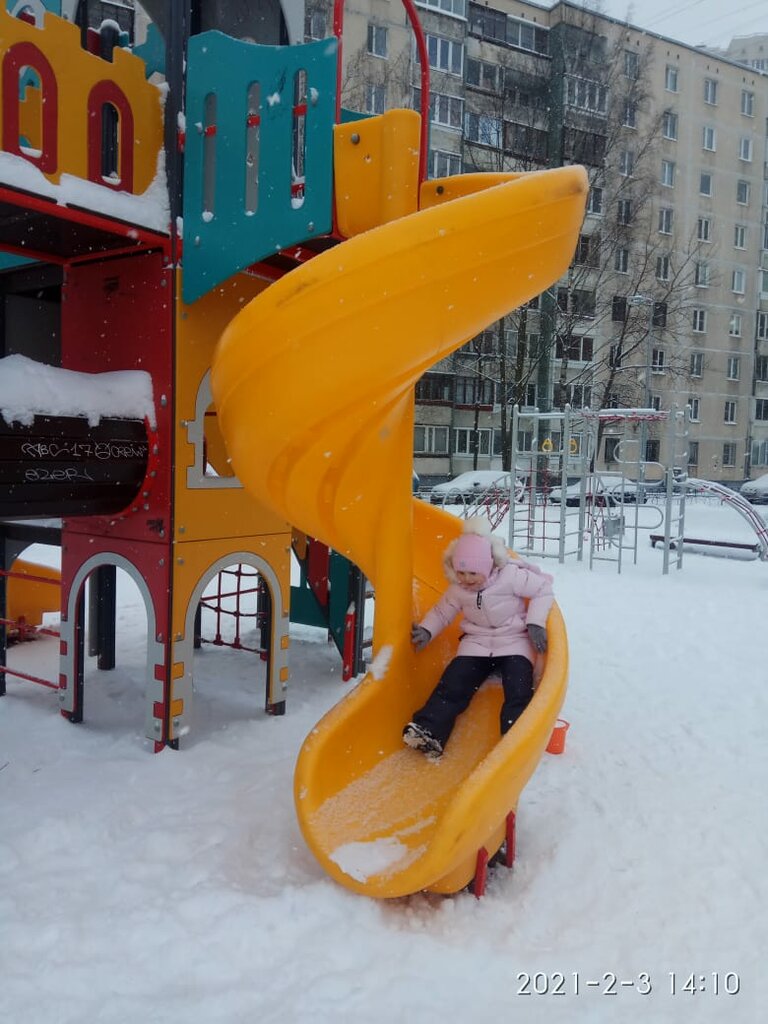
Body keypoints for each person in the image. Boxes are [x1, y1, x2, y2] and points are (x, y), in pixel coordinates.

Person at [403, 517, 554, 760]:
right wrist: (427, 630)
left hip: (513, 640)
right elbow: (442, 612)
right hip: (477, 643)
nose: (466, 579)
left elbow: (543, 590)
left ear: (488, 566)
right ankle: (429, 730)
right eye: (460, 572)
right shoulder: (458, 588)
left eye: (473, 572)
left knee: (519, 686)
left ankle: (516, 736)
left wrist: (535, 622)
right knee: (453, 682)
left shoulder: (510, 576)